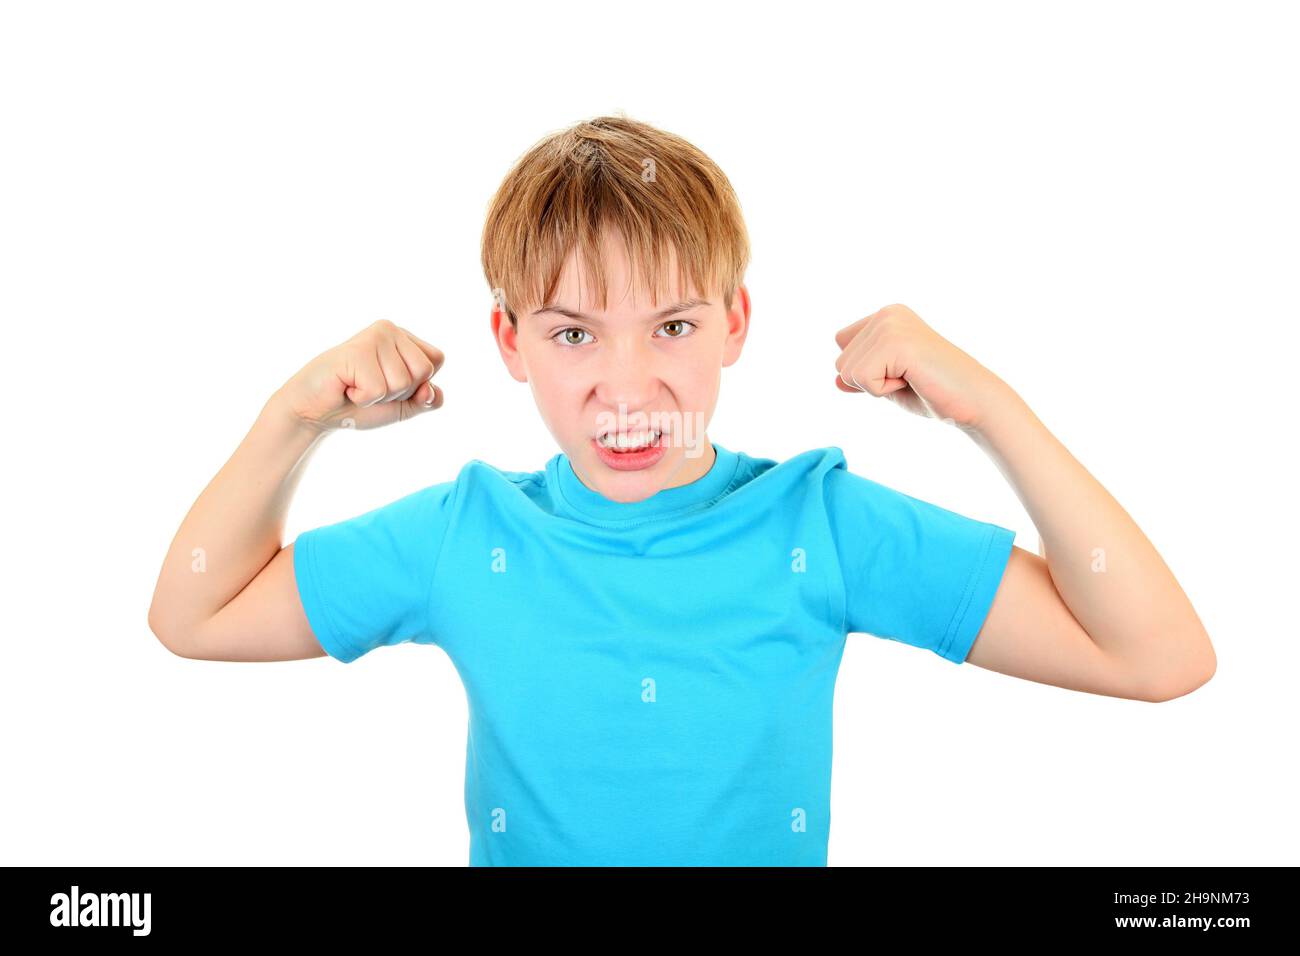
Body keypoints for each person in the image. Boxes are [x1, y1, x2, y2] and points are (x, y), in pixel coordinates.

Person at [147, 114, 1216, 866]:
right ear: (509, 341)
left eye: (672, 325)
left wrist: (990, 408)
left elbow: (1158, 656)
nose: (627, 385)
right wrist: (298, 413)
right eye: (573, 332)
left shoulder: (820, 523)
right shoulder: (464, 533)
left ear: (735, 323)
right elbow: (193, 611)